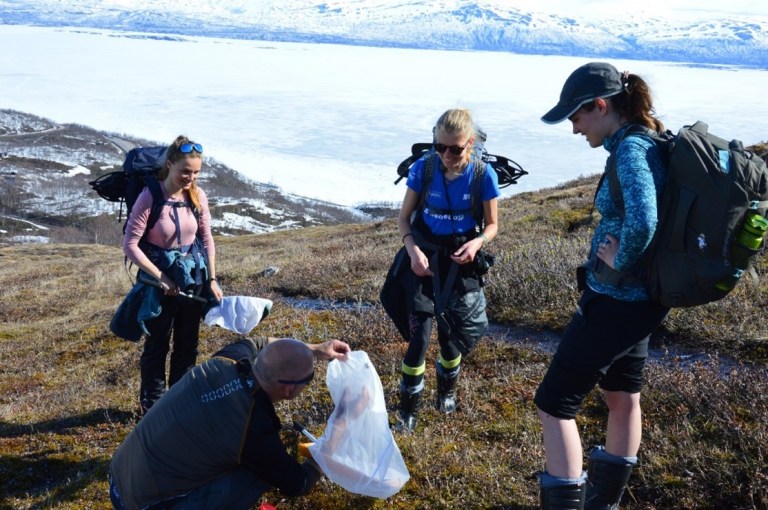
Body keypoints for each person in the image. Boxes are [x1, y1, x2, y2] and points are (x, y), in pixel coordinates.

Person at [535, 62, 670, 509]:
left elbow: (645, 218)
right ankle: (605, 504)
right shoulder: (646, 142)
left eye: (576, 117)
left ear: (600, 105)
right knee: (622, 395)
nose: (575, 129)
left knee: (554, 403)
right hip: (642, 302)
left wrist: (619, 257)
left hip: (616, 302)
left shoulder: (631, 151)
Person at [109, 336, 351, 510]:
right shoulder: (253, 429)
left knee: (249, 457)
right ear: (289, 389)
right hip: (142, 504)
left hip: (120, 473)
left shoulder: (227, 360)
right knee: (258, 474)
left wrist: (315, 350)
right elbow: (298, 483)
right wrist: (343, 421)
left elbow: (260, 343)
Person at [393, 108, 500, 433]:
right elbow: (403, 219)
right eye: (439, 147)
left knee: (451, 336)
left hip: (460, 262)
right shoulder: (424, 168)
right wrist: (413, 252)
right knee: (420, 338)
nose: (446, 155)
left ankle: (446, 395)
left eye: (455, 149)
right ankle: (407, 413)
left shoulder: (483, 175)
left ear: (470, 143)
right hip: (422, 259)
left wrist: (477, 243)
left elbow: (493, 225)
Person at [122, 135, 223, 414]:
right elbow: (130, 245)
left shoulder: (197, 195)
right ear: (169, 165)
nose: (190, 178)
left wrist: (212, 278)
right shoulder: (150, 197)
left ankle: (179, 404)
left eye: (196, 172)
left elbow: (206, 237)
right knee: (157, 346)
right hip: (159, 283)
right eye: (185, 171)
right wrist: (160, 278)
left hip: (193, 279)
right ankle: (152, 408)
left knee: (187, 345)